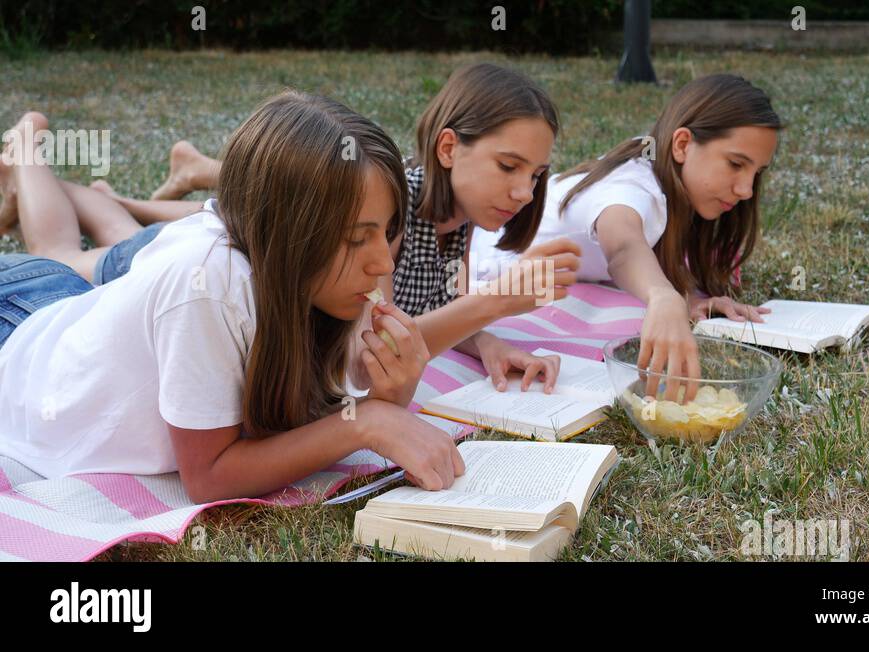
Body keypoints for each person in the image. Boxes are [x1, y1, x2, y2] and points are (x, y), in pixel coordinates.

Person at [0, 93, 466, 502]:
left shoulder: (315, 280)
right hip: (16, 320)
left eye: (388, 233)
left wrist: (387, 394)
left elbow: (316, 410)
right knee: (58, 254)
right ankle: (25, 155)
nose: (383, 264)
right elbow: (208, 476)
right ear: (288, 233)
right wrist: (366, 422)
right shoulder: (210, 285)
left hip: (70, 307)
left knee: (68, 255)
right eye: (355, 238)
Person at [472, 73, 782, 400]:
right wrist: (664, 298)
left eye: (756, 173)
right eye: (735, 164)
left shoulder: (658, 164)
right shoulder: (633, 188)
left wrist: (690, 299)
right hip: (485, 270)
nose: (746, 190)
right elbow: (623, 247)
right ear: (682, 144)